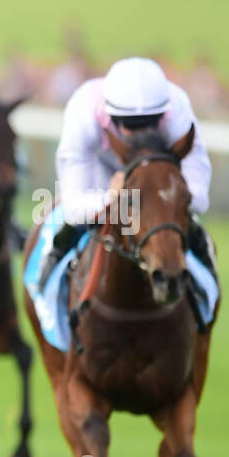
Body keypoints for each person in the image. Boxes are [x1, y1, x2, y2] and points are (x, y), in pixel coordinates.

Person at [34, 56, 213, 289]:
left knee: (189, 223)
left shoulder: (178, 110)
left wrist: (172, 196)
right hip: (100, 173)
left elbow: (199, 198)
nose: (142, 133)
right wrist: (111, 197)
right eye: (131, 124)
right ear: (111, 118)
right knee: (72, 223)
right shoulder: (83, 115)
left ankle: (206, 285)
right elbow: (74, 207)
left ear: (163, 115)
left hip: (156, 178)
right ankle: (50, 272)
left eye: (151, 123)